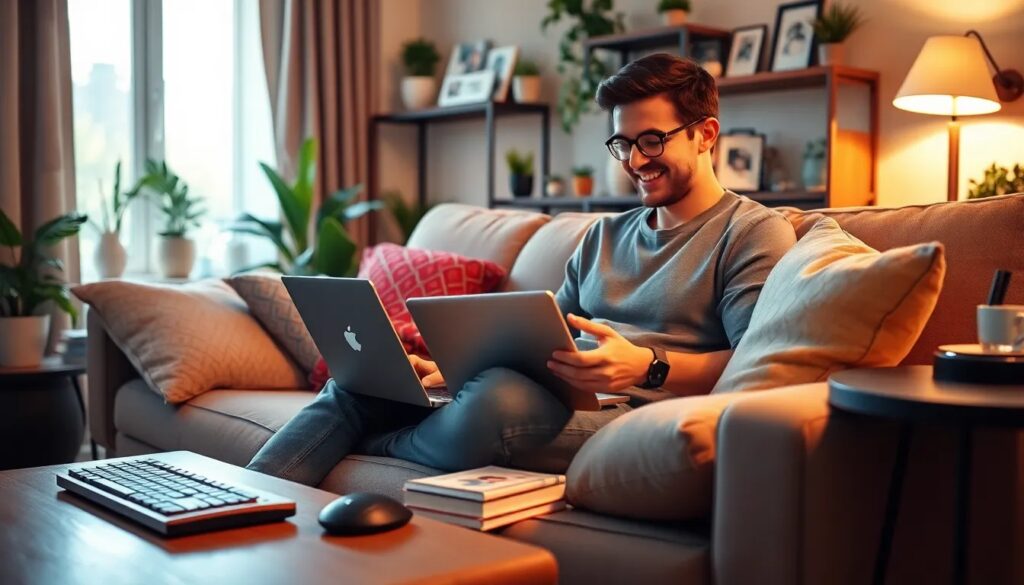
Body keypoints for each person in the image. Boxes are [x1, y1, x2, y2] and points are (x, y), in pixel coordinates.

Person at [247, 53, 796, 487]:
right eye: (622, 144)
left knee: (493, 404)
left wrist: (647, 366)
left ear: (705, 133)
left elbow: (754, 362)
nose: (634, 160)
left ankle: (373, 438)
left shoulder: (751, 232)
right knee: (365, 378)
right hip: (555, 393)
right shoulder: (604, 234)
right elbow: (537, 331)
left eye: (652, 139)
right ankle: (241, 503)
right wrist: (448, 367)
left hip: (640, 411)